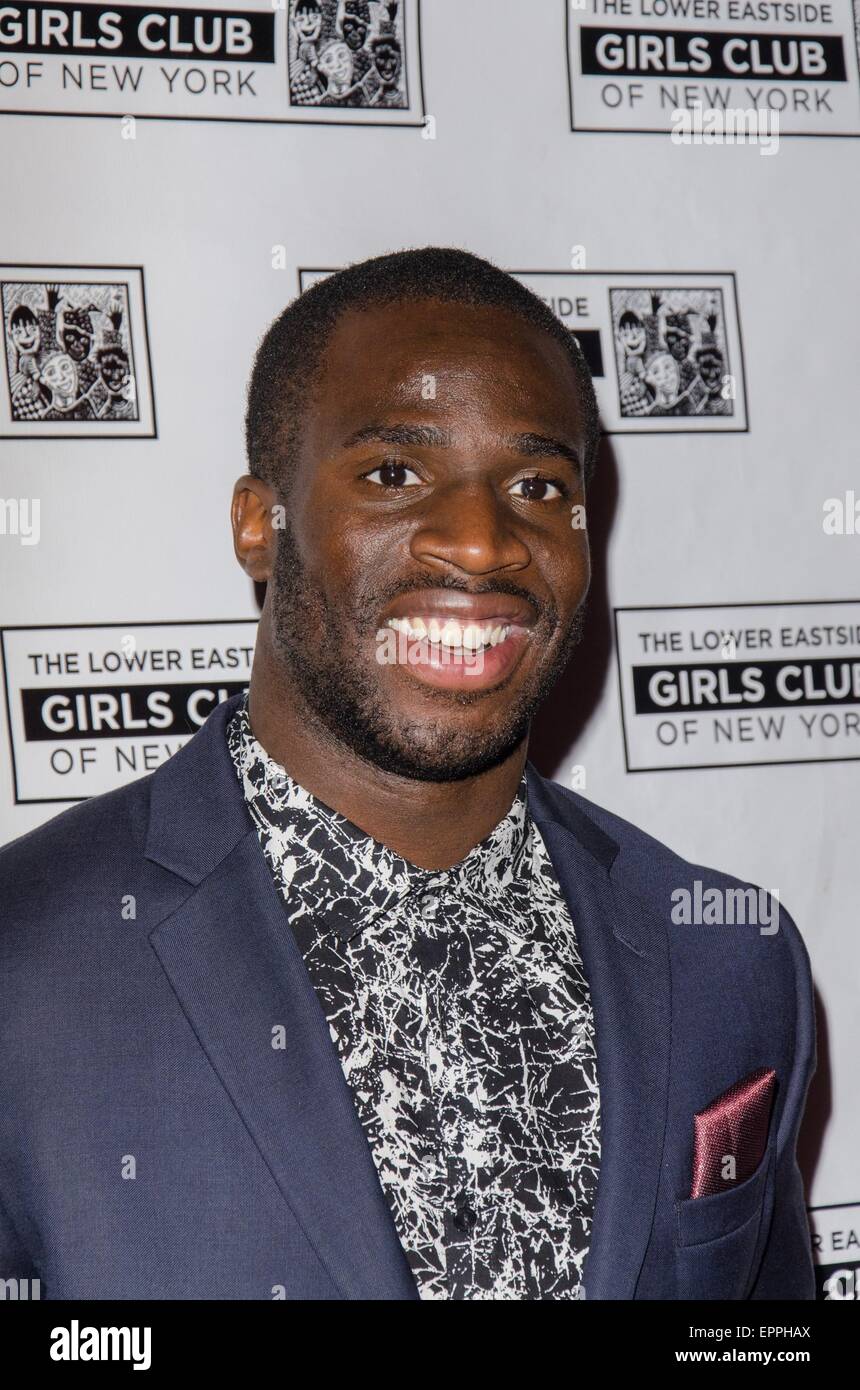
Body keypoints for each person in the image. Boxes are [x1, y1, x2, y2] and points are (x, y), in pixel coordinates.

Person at [0, 248, 815, 1300]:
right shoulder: (27, 961)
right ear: (260, 521)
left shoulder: (722, 957)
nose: (479, 543)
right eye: (394, 473)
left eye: (535, 484)